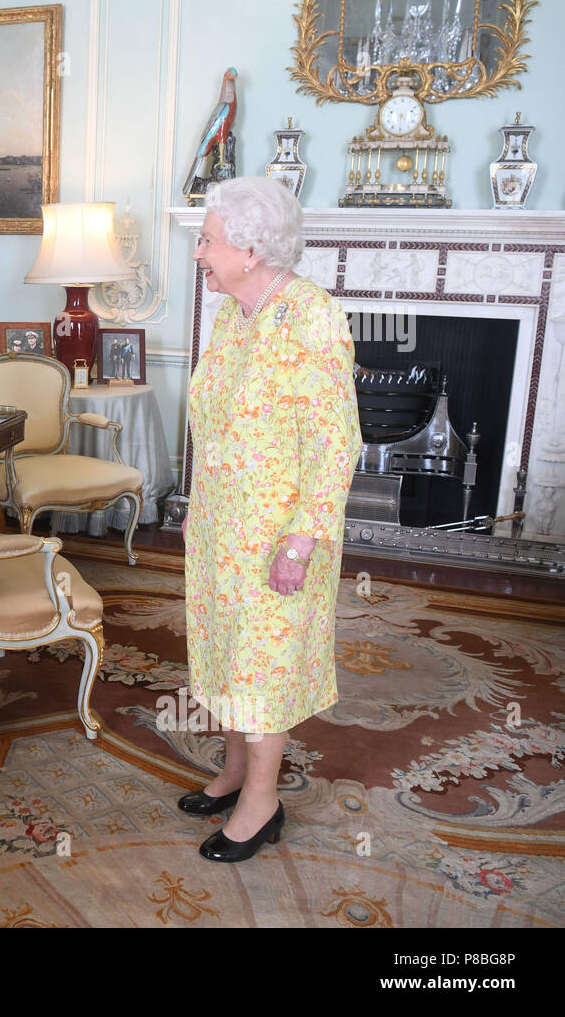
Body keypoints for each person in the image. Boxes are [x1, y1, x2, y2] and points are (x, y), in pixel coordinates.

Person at [181, 176, 361, 861]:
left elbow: (336, 439)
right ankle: (233, 772)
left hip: (280, 533)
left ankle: (262, 800)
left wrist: (303, 537)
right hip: (220, 526)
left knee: (264, 664)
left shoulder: (312, 315)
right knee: (227, 647)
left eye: (208, 240)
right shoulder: (232, 312)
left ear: (250, 249)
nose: (199, 252)